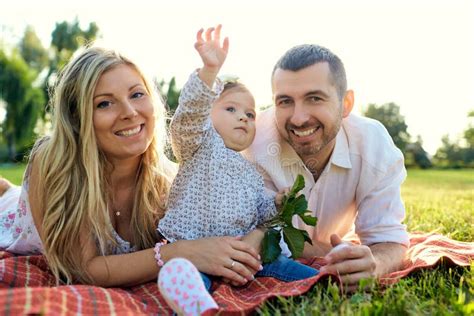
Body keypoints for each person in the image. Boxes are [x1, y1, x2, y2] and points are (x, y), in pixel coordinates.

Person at [0, 46, 264, 301]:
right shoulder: (56, 162)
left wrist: (252, 241)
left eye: (137, 95)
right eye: (104, 104)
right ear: (77, 119)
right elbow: (83, 269)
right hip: (13, 218)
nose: (129, 112)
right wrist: (179, 253)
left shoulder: (167, 181)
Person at [157, 25, 318, 314]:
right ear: (209, 114)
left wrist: (277, 202)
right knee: (185, 273)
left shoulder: (252, 171)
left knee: (280, 265)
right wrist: (209, 72)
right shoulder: (198, 146)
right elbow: (189, 117)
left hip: (242, 255)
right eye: (231, 109)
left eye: (250, 114)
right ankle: (197, 304)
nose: (243, 118)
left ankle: (320, 283)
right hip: (197, 249)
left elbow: (261, 209)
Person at [242, 44, 409, 292]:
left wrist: (375, 262)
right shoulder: (250, 144)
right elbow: (258, 238)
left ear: (346, 103)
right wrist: (328, 250)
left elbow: (388, 239)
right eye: (285, 101)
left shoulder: (374, 147)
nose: (299, 118)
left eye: (314, 98)